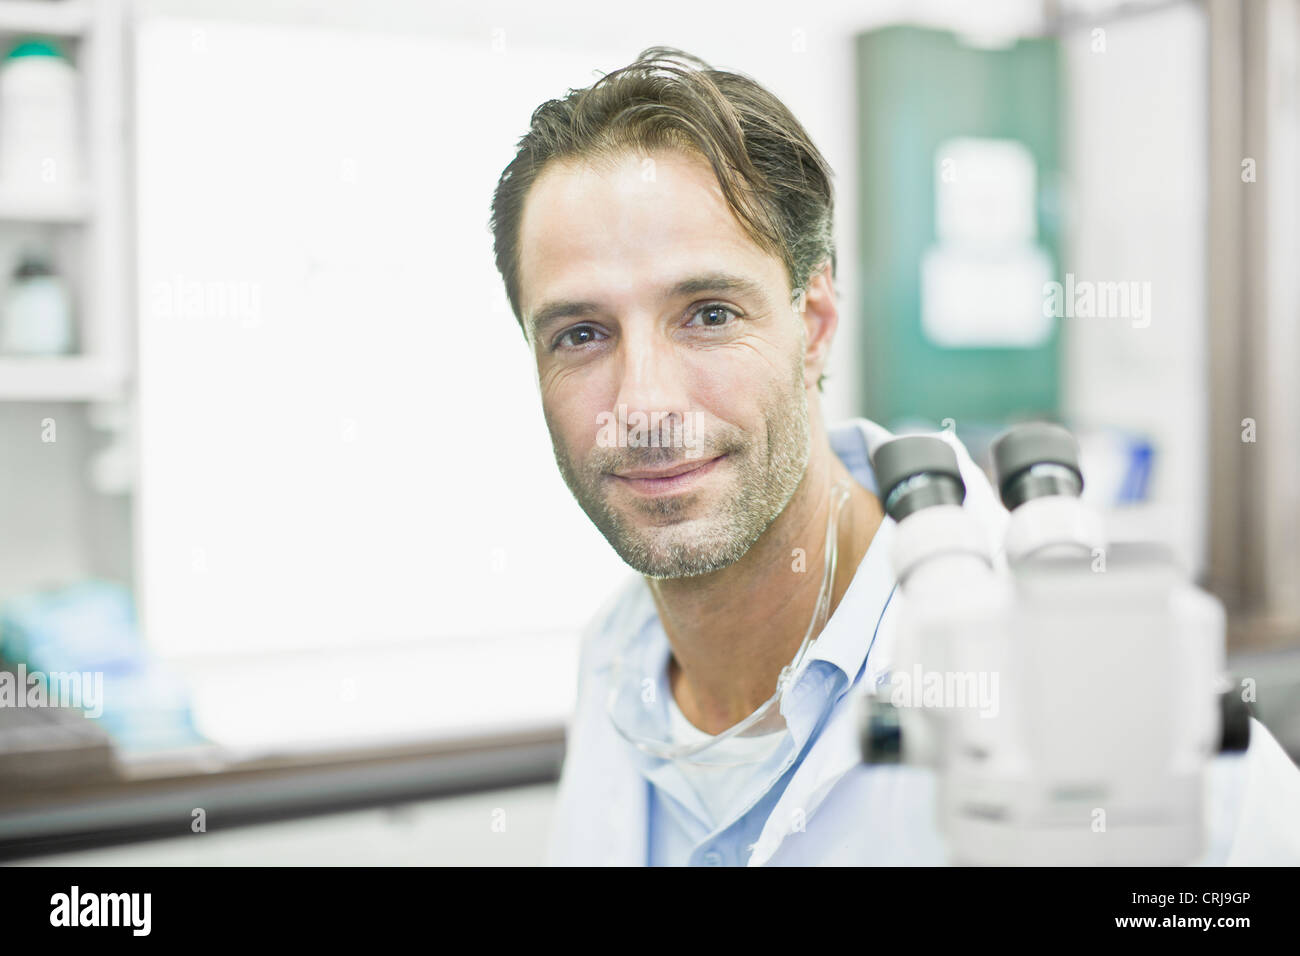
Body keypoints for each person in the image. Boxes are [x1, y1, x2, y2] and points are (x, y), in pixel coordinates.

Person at [488, 46, 1300, 866]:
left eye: (707, 314)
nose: (644, 407)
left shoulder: (1088, 672)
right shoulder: (616, 659)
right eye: (581, 334)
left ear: (814, 323)